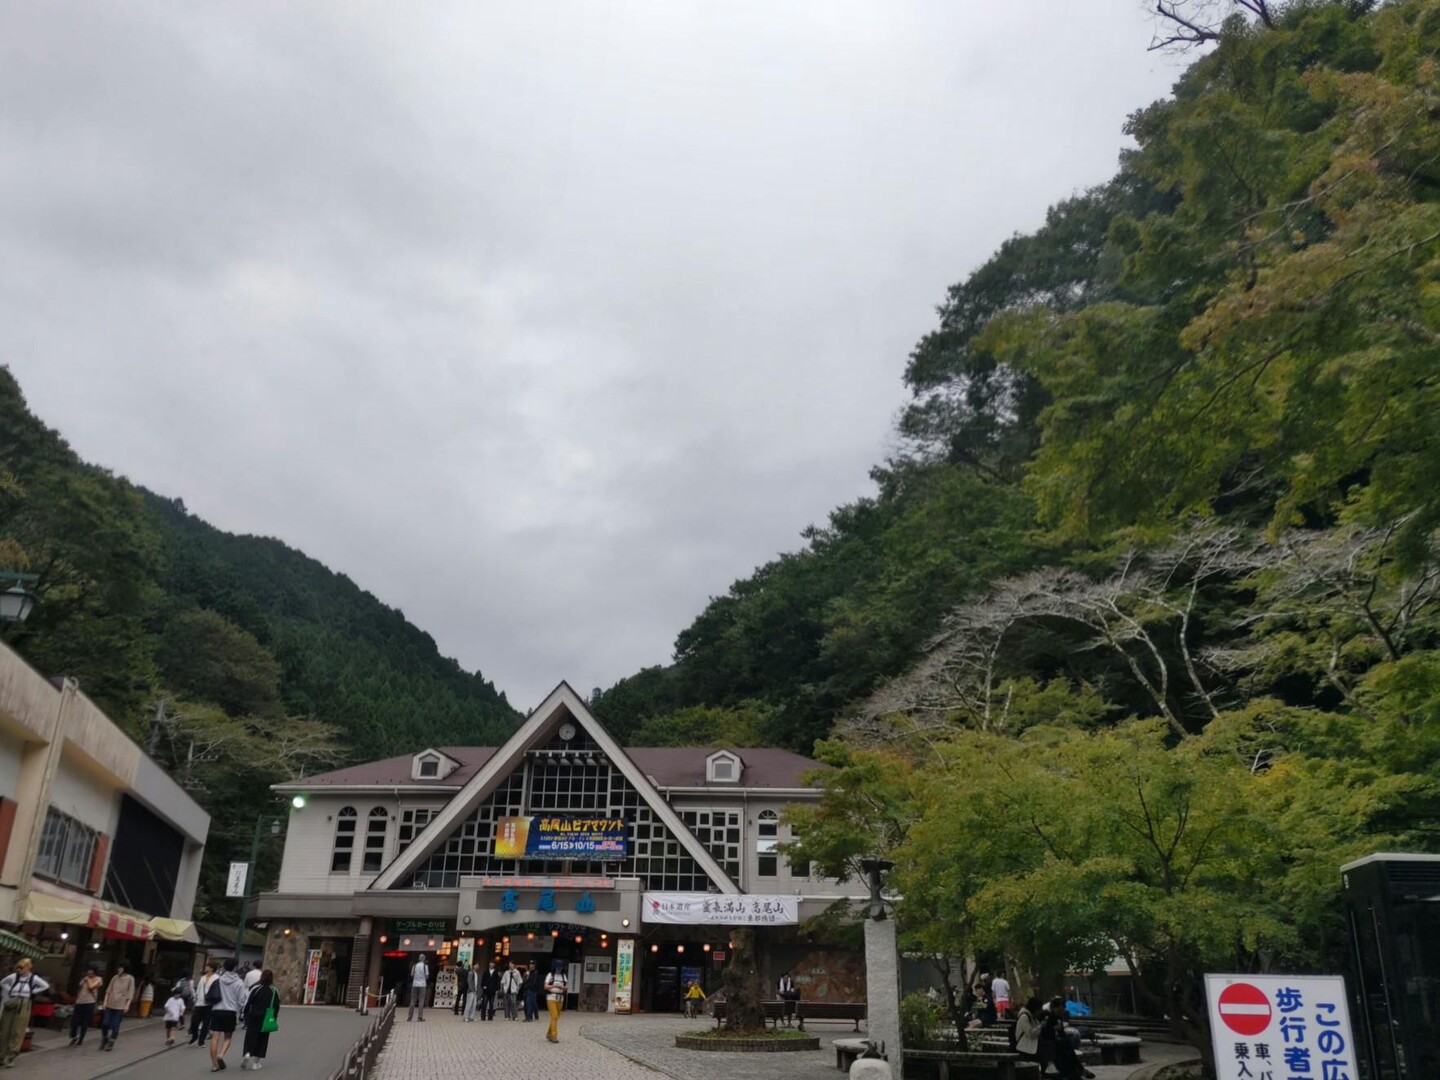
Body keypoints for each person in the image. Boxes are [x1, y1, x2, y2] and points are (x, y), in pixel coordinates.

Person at [0, 958, 48, 1066]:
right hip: (13, 1001)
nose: (19, 970)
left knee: (18, 1030)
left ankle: (11, 1056)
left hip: (24, 1003)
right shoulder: (14, 976)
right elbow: (2, 982)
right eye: (18, 967)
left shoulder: (33, 978)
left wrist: (33, 991)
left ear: (28, 967)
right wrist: (10, 989)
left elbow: (45, 985)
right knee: (5, 1029)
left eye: (21, 968)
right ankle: (1, 1055)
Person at [207, 957, 247, 1072]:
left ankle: (214, 1065)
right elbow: (242, 1000)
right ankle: (221, 1055)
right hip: (230, 1012)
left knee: (215, 1038)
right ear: (235, 967)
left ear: (224, 967)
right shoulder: (239, 982)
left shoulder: (218, 980)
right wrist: (240, 1011)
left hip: (217, 1010)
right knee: (228, 1038)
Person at [241, 969, 279, 1071]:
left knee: (250, 1037)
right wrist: (274, 1017)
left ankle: (247, 1054)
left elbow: (248, 1003)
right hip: (267, 1017)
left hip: (254, 1016)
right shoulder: (274, 991)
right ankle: (256, 1063)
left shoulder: (256, 989)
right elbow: (276, 1006)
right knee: (262, 1039)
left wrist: (244, 1014)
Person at [100, 963, 135, 1051]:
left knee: (115, 1025)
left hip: (120, 1005)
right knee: (105, 1023)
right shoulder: (115, 977)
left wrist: (127, 1005)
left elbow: (130, 993)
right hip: (110, 1003)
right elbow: (108, 990)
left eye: (120, 968)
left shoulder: (130, 979)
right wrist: (105, 1002)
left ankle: (111, 1042)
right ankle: (105, 1038)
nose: (119, 969)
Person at [69, 965, 103, 1047]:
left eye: (91, 971)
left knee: (84, 1022)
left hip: (89, 1002)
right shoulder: (84, 978)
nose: (89, 972)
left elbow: (91, 987)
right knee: (74, 1021)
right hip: (80, 1001)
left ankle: (81, 1039)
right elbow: (80, 987)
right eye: (88, 971)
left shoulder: (98, 979)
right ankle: (74, 1036)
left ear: (94, 972)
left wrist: (87, 980)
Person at [190, 963, 217, 1047]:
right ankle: (195, 1035)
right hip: (200, 1002)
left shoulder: (216, 978)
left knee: (206, 1023)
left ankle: (201, 1041)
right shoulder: (203, 978)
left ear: (212, 968)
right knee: (194, 1021)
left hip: (209, 1003)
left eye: (207, 967)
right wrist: (195, 1000)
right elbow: (198, 990)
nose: (205, 968)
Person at [543, 959, 567, 1043]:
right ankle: (554, 1035)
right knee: (554, 1016)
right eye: (558, 967)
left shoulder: (563, 976)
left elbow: (566, 986)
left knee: (556, 1017)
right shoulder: (550, 975)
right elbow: (545, 986)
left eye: (560, 967)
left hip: (560, 998)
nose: (559, 969)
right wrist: (554, 986)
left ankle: (549, 1033)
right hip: (551, 997)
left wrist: (563, 987)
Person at [1014, 996, 1042, 1066]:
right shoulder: (1024, 1017)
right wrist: (1041, 1026)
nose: (1040, 1012)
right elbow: (1031, 1033)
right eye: (1039, 1010)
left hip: (1032, 1048)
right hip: (1024, 1049)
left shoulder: (1033, 1018)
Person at [406, 955, 429, 1022]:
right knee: (421, 1001)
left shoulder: (414, 966)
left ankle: (409, 1017)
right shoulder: (425, 966)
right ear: (424, 959)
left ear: (419, 959)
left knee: (413, 1000)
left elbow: (412, 975)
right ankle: (419, 1017)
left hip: (414, 984)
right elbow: (427, 976)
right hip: (422, 984)